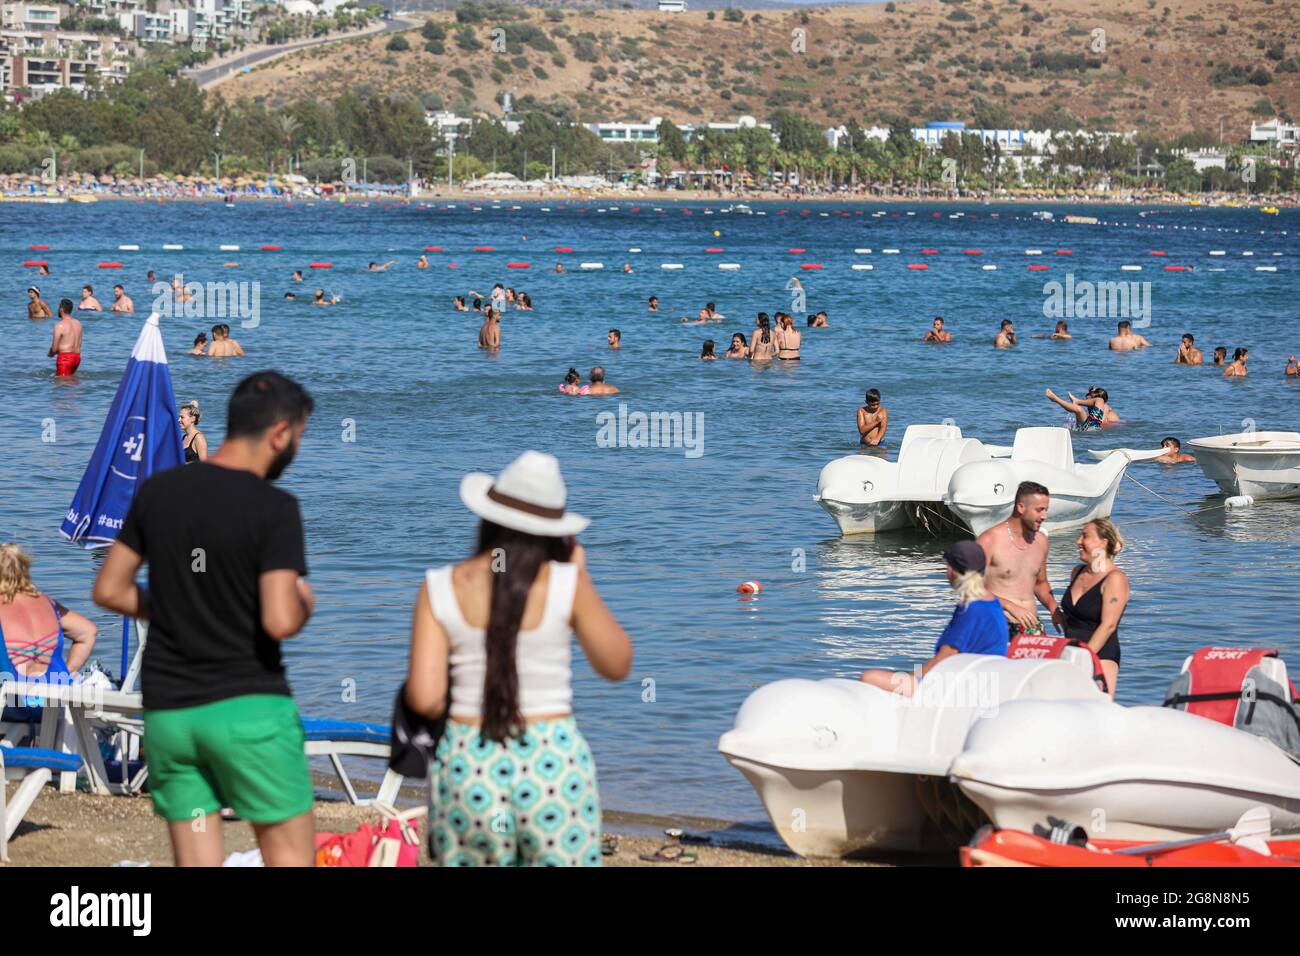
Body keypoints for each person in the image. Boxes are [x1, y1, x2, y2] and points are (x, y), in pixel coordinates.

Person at [93, 371, 318, 867]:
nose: (295, 451)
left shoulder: (159, 491)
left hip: (171, 714)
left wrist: (174, 603)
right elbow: (279, 618)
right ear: (279, 433)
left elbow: (109, 588)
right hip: (248, 709)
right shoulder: (274, 507)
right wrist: (305, 601)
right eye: (298, 437)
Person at [404, 450, 633, 866]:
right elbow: (617, 665)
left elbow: (425, 697)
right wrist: (581, 575)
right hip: (552, 762)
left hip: (467, 763)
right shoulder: (567, 584)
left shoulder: (439, 586)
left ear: (487, 519)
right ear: (557, 533)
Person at [857, 542, 1007, 696]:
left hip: (965, 685)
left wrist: (910, 677)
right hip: (985, 679)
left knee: (870, 677)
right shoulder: (991, 602)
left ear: (952, 570)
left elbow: (946, 657)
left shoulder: (971, 608)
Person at [1052, 518, 1129, 697]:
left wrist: (1084, 658)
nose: (1078, 541)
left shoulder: (1115, 579)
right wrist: (1058, 614)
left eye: (1085, 536)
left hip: (1101, 658)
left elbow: (1108, 625)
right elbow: (1077, 614)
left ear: (1103, 543)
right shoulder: (1077, 572)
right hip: (1071, 654)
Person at [0, 543, 97, 681]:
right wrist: (66, 675)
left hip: (13, 696)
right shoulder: (48, 603)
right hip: (54, 692)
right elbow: (88, 632)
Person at [976, 481, 1059, 639]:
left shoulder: (1041, 541)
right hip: (996, 625)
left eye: (1046, 510)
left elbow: (1040, 584)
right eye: (1039, 510)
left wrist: (1054, 608)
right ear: (1021, 507)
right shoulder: (990, 540)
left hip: (1031, 627)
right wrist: (1009, 606)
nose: (1044, 516)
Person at [1045, 386, 1118, 430]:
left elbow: (1102, 422)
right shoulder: (1098, 410)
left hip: (1094, 427)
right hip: (1090, 428)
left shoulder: (1105, 406)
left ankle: (1059, 399)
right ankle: (1056, 399)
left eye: (1088, 400)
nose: (1087, 402)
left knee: (1080, 409)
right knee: (1079, 410)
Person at [48, 299, 83, 377]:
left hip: (65, 359)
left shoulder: (59, 325)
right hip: (77, 358)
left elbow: (54, 349)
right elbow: (79, 343)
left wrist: (50, 353)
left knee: (61, 384)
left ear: (61, 309)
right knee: (71, 384)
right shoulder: (78, 323)